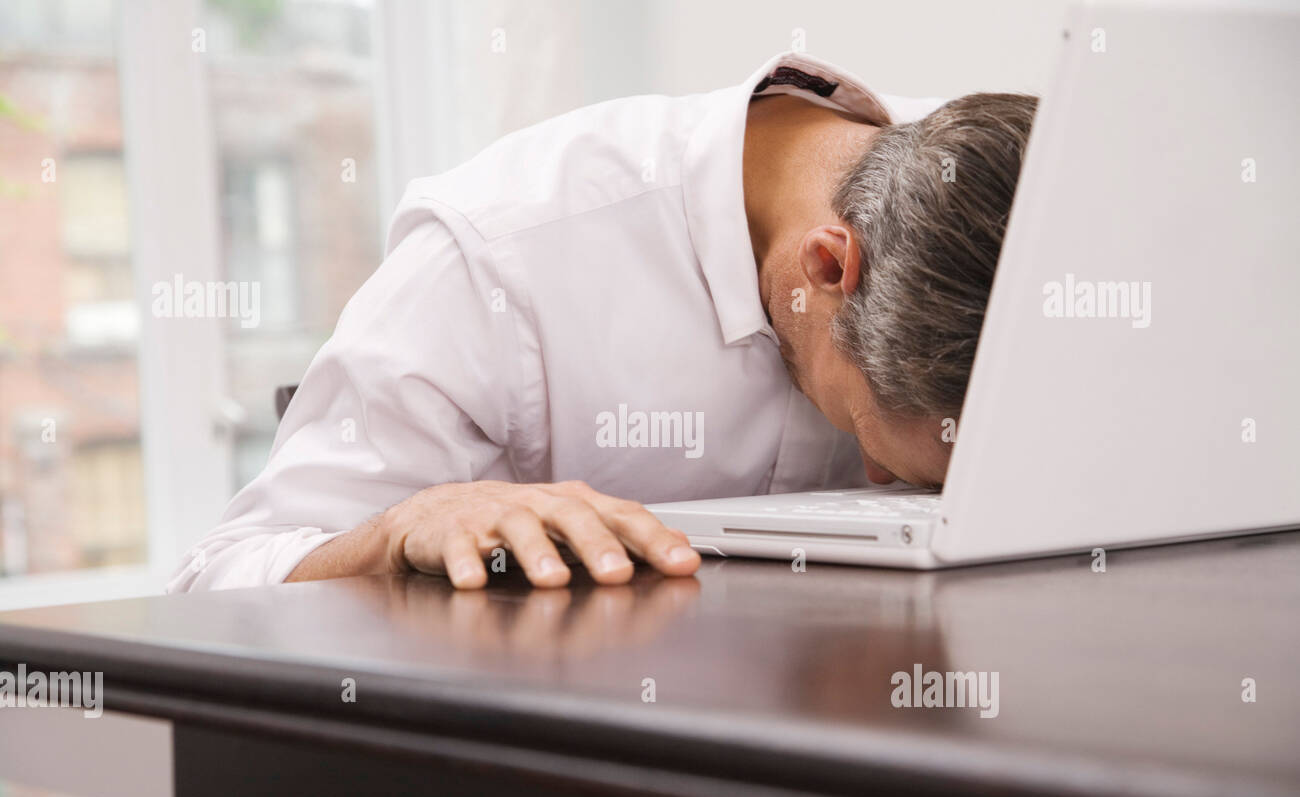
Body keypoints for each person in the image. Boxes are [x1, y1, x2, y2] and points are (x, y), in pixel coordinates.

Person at [169, 52, 1036, 593]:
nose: (879, 479)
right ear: (828, 268)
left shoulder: (1002, 196)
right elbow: (217, 583)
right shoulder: (496, 255)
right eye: (872, 438)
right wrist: (400, 528)